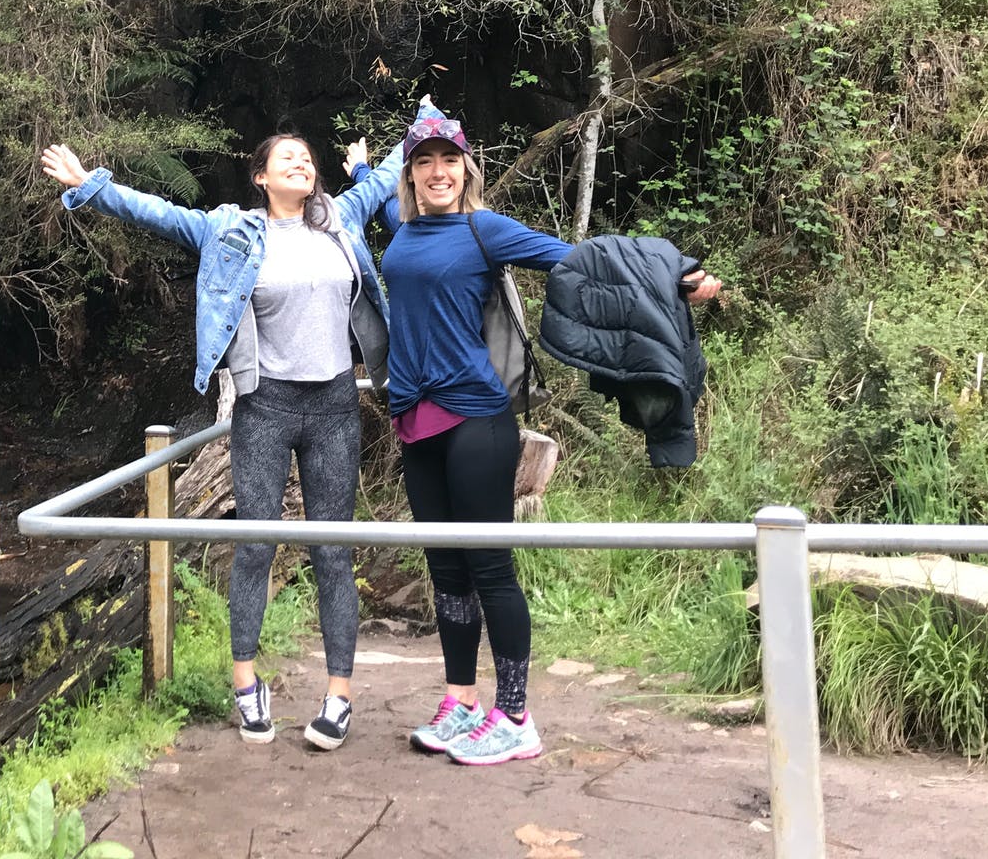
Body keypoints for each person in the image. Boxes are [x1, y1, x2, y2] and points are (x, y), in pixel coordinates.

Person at [40, 120, 411, 750]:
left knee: (332, 551)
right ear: (262, 177)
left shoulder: (340, 217)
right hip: (264, 407)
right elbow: (159, 213)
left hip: (335, 406)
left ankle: (339, 695)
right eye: (285, 157)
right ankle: (246, 685)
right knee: (254, 546)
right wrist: (89, 186)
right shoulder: (231, 229)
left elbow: (384, 180)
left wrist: (426, 125)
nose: (300, 162)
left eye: (306, 157)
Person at [372, 110, 720, 765]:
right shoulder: (403, 233)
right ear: (411, 175)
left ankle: (515, 716)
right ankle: (460, 702)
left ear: (466, 169)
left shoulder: (485, 230)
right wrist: (363, 169)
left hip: (476, 418)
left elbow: (582, 260)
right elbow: (393, 224)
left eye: (449, 161)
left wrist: (675, 278)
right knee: (447, 573)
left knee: (489, 568)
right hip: (414, 424)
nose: (438, 171)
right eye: (425, 162)